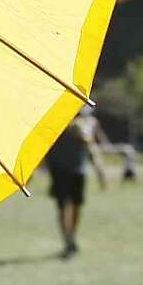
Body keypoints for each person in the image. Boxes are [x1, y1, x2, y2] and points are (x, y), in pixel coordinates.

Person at [44, 102, 98, 255]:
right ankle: (66, 238)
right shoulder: (53, 116)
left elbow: (88, 141)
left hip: (77, 168)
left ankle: (72, 235)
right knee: (62, 205)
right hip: (59, 168)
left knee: (76, 204)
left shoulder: (84, 118)